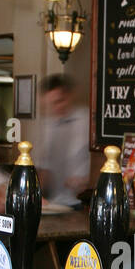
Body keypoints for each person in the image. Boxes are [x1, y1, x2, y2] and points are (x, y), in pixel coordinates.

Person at [38, 75, 91, 208]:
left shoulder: (87, 120)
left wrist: (88, 181)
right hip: (54, 201)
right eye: (51, 104)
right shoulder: (47, 125)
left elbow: (101, 155)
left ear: (70, 96)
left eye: (59, 101)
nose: (56, 108)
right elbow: (44, 165)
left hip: (82, 200)